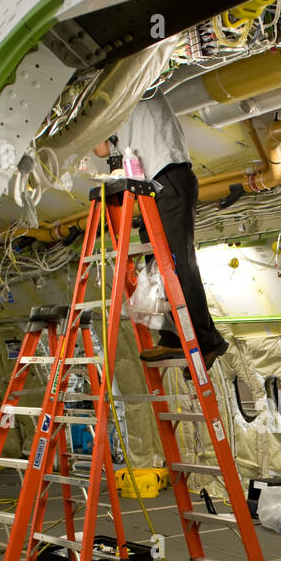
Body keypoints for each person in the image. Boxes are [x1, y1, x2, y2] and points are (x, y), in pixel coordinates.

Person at [94, 92, 229, 367]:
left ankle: (208, 341)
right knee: (157, 266)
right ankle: (171, 337)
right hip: (146, 187)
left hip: (169, 175)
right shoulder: (111, 110)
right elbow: (101, 150)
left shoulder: (141, 87)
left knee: (177, 264)